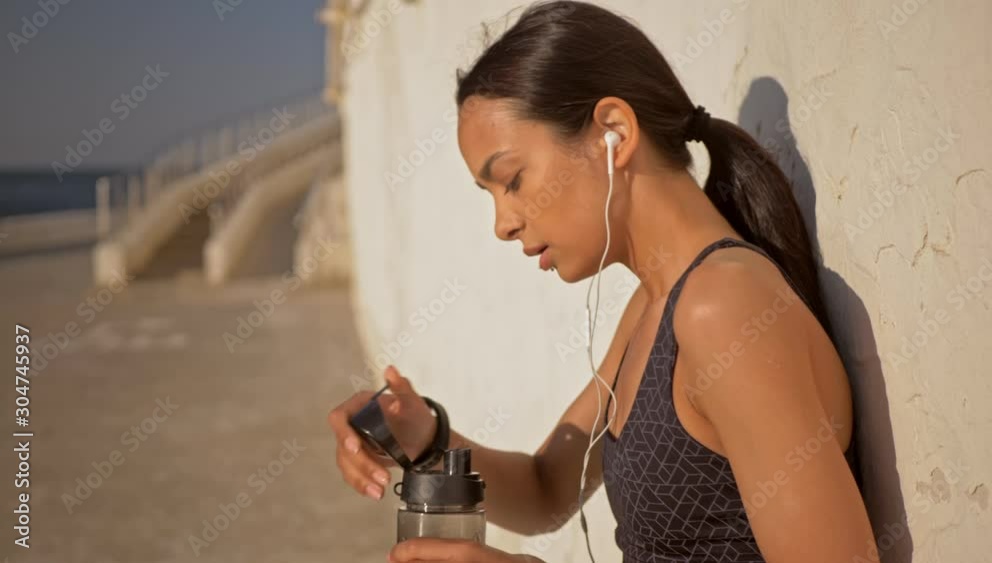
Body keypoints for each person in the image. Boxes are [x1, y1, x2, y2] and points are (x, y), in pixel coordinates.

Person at [329, 2, 879, 561]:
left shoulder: (723, 306)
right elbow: (546, 490)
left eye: (513, 180)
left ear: (614, 132)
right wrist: (423, 438)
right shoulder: (655, 305)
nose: (503, 223)